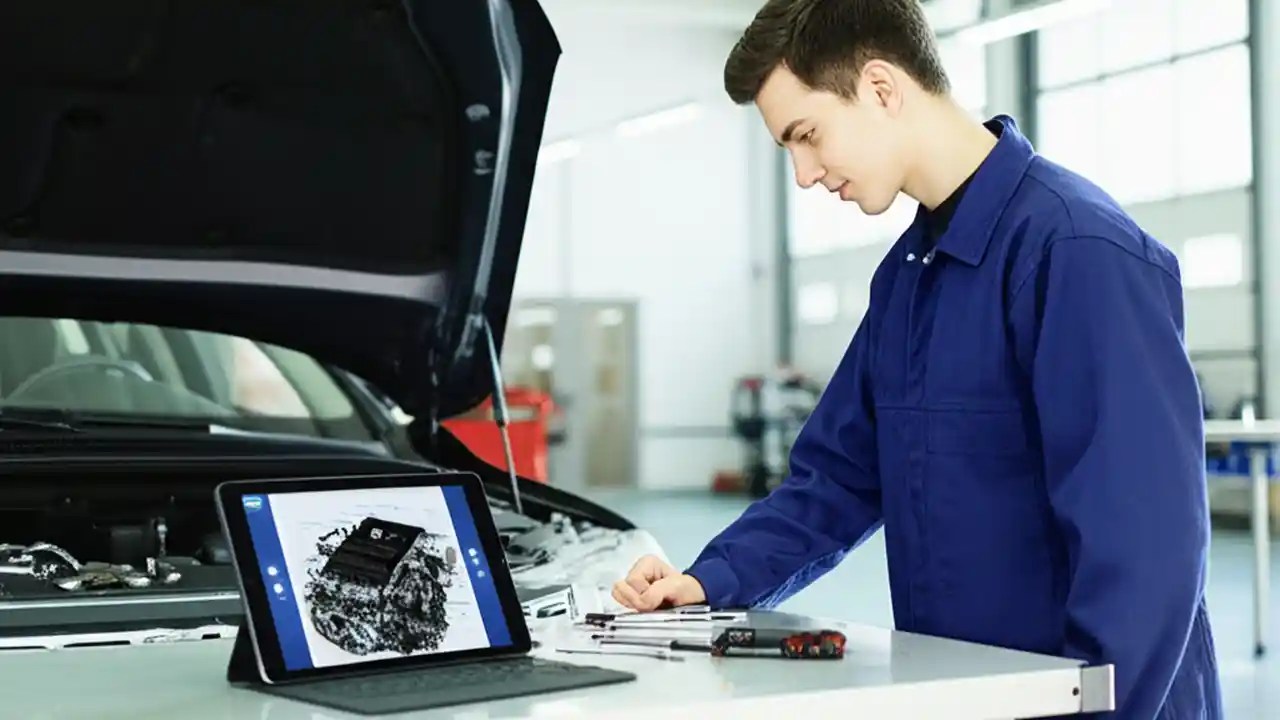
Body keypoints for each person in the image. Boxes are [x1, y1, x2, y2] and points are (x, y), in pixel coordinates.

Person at [611, 0, 1222, 717]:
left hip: (1106, 704)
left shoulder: (1076, 251)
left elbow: (1147, 557)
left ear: (880, 88)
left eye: (807, 136)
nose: (805, 174)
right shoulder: (907, 277)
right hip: (975, 694)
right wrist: (712, 580)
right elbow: (836, 478)